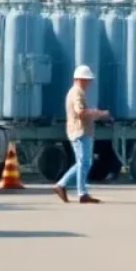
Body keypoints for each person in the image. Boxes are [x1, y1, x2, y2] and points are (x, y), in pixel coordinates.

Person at [53, 64, 110, 204]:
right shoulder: (77, 92)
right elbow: (80, 112)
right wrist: (99, 113)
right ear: (79, 79)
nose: (89, 83)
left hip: (79, 131)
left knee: (83, 162)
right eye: (87, 79)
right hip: (80, 131)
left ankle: (73, 189)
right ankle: (74, 190)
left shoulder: (75, 91)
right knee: (84, 162)